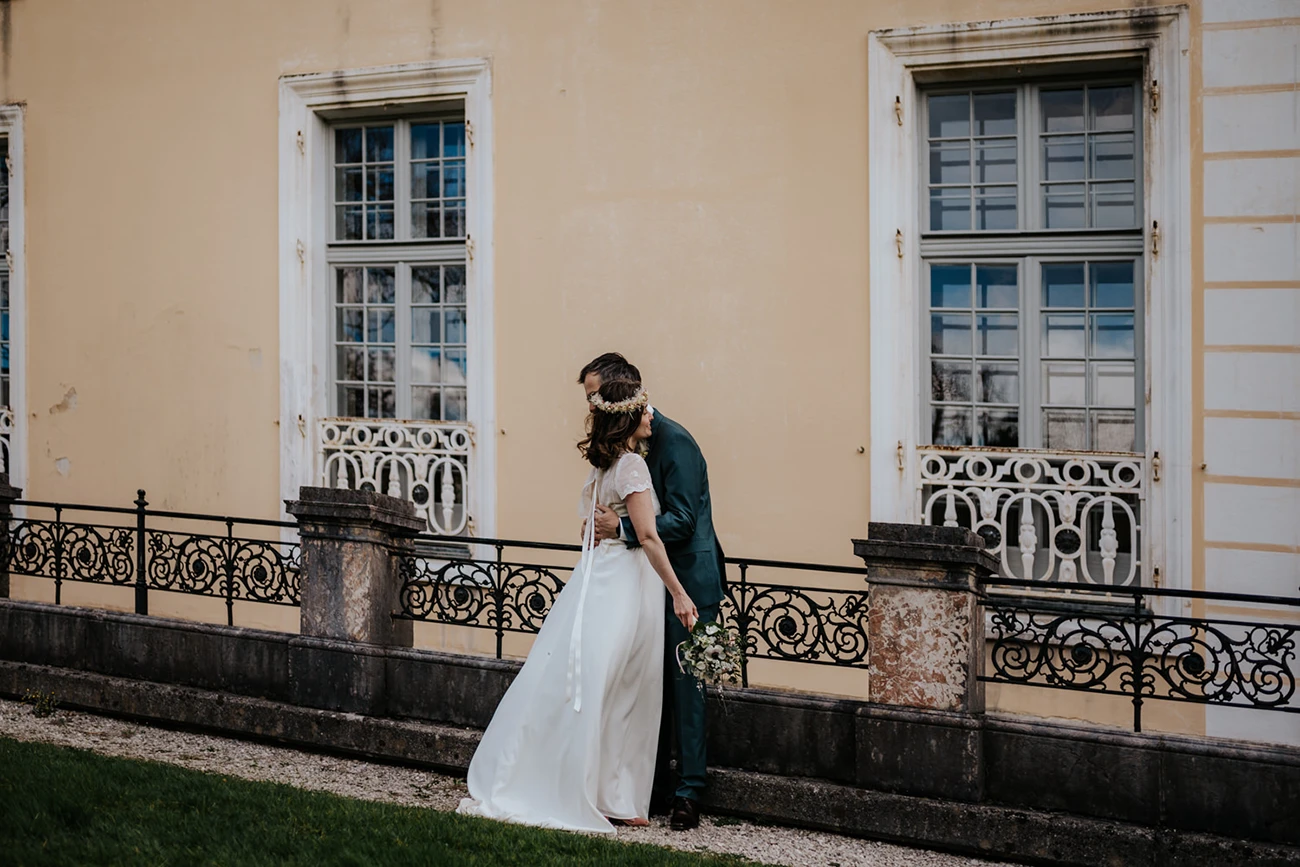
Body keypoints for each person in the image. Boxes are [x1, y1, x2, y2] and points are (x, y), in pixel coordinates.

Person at [457, 377, 699, 834]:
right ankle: (594, 792)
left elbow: (589, 532)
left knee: (612, 686)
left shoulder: (602, 468)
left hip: (603, 578)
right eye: (645, 409)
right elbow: (648, 536)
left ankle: (615, 796)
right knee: (621, 687)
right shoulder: (631, 467)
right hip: (625, 585)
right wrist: (679, 592)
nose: (652, 416)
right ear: (629, 416)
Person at [580, 353, 726, 833]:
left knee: (688, 689)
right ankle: (652, 787)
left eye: (596, 397)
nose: (592, 408)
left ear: (624, 395)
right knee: (644, 684)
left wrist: (621, 525)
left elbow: (682, 519)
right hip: (643, 583)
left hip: (687, 582)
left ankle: (688, 794)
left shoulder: (674, 441)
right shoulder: (624, 450)